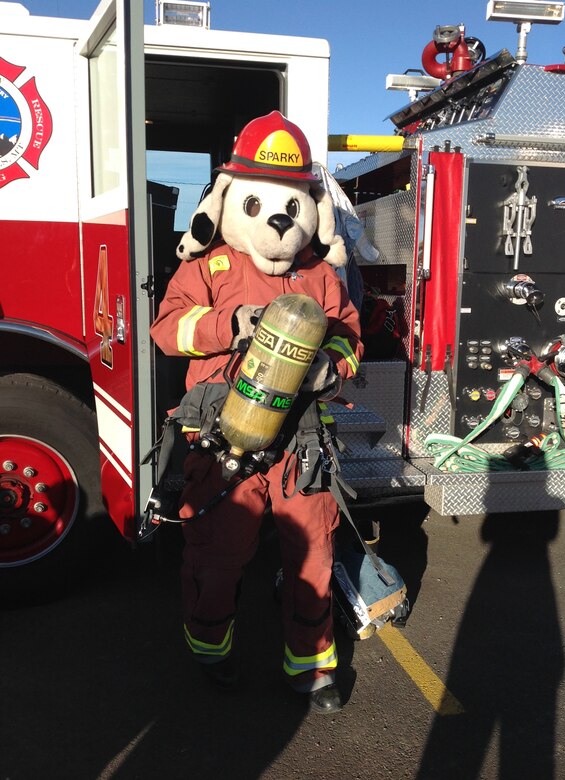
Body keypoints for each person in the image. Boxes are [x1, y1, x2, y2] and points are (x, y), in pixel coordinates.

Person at [150, 111, 363, 714]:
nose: (277, 221)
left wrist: (332, 365)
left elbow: (350, 336)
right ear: (228, 201)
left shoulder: (321, 276)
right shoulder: (207, 269)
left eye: (292, 205)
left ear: (310, 211)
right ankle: (211, 649)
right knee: (216, 555)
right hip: (222, 440)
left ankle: (311, 665)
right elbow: (166, 331)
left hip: (302, 441)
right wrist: (229, 324)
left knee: (313, 554)